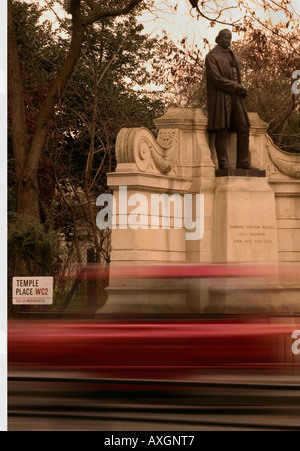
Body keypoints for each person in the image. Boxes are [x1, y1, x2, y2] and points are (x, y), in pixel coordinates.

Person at [205, 29, 258, 170]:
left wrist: (241, 88)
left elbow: (236, 76)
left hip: (235, 96)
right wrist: (236, 86)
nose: (228, 40)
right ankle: (223, 163)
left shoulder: (233, 55)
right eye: (225, 37)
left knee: (244, 127)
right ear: (219, 38)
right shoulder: (212, 56)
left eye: (230, 37)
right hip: (221, 97)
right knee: (221, 129)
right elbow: (216, 79)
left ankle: (243, 162)